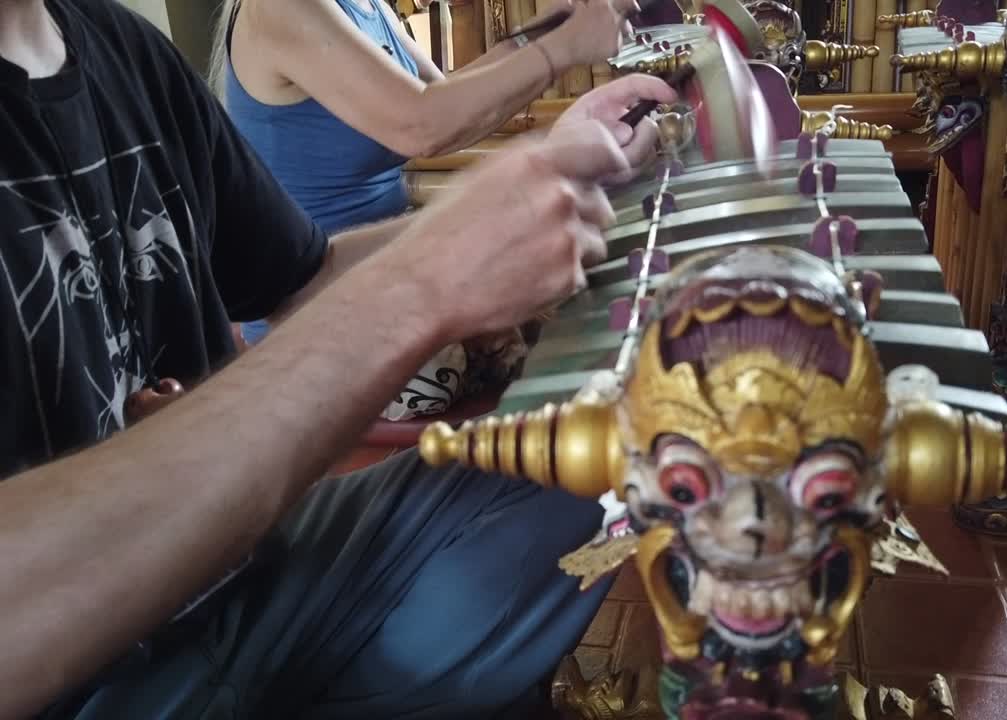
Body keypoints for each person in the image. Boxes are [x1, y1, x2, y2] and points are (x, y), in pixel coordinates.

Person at [0, 0, 672, 717]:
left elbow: (304, 276)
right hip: (91, 680)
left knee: (624, 436)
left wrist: (552, 181)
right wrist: (419, 287)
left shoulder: (119, 46)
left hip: (243, 571)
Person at [208, 0, 636, 347]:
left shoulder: (364, 6)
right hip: (317, 322)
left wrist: (541, 34)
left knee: (588, 282)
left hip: (386, 281)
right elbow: (424, 124)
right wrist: (563, 49)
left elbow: (448, 95)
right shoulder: (281, 9)